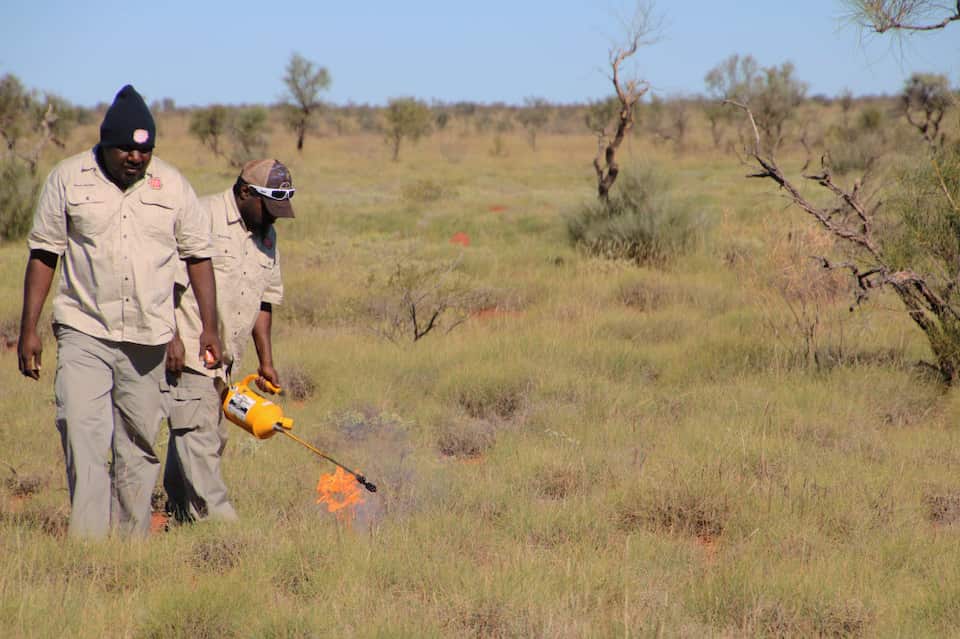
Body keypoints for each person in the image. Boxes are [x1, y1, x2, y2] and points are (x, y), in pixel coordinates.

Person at [16, 85, 223, 539]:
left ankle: (130, 546)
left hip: (149, 336)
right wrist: (29, 328)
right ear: (105, 144)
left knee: (138, 444)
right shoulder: (69, 178)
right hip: (84, 328)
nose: (135, 157)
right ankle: (90, 545)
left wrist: (209, 327)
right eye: (126, 149)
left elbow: (198, 255)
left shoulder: (172, 185)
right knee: (82, 431)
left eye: (144, 150)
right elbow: (45, 253)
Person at [163, 158, 294, 523]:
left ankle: (179, 514)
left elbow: (264, 300)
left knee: (207, 435)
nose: (274, 219)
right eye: (269, 208)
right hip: (190, 347)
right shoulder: (201, 216)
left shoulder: (267, 235)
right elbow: (164, 281)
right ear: (246, 192)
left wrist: (265, 361)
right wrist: (171, 337)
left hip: (225, 359)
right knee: (199, 434)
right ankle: (222, 529)